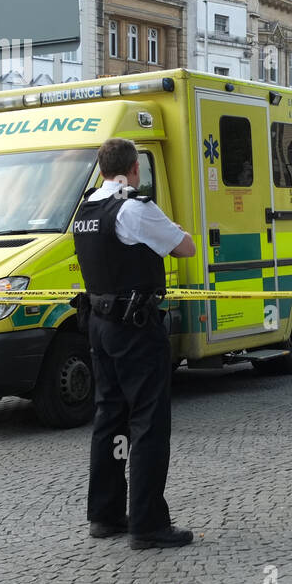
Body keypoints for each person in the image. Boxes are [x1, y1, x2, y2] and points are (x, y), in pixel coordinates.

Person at [72, 138, 196, 550]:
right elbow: (185, 248)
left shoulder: (85, 210)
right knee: (147, 421)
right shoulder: (134, 208)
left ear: (101, 169)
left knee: (109, 417)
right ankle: (147, 524)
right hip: (135, 327)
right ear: (134, 168)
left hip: (98, 325)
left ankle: (105, 515)